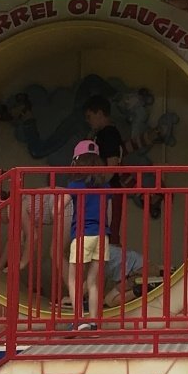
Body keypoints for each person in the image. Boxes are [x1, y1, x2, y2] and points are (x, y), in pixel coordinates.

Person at [61, 141, 145, 328]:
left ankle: (78, 321)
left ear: (76, 163)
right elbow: (108, 214)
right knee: (94, 282)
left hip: (82, 235)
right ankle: (94, 321)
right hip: (102, 236)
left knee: (74, 280)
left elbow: (60, 207)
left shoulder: (75, 186)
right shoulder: (105, 187)